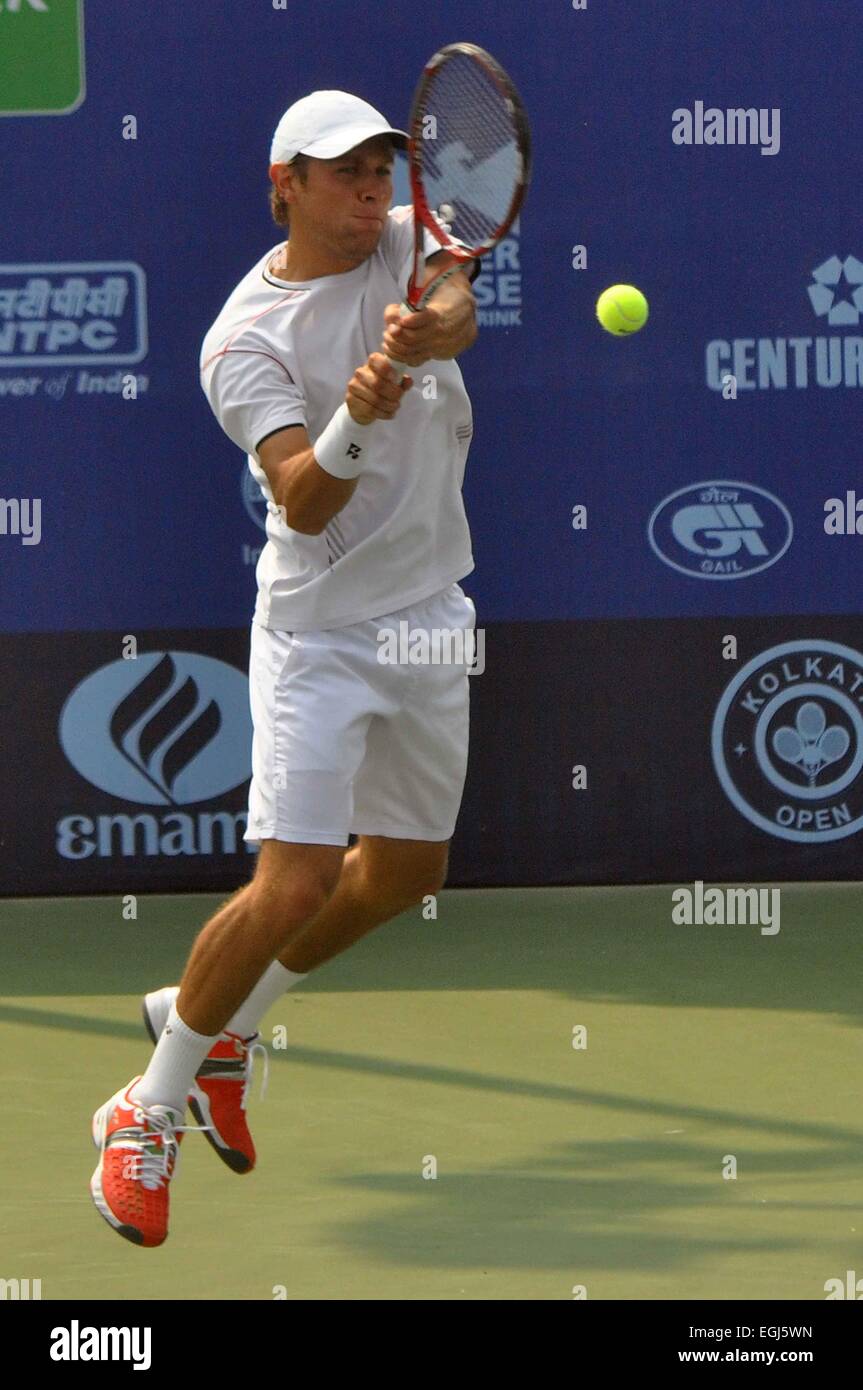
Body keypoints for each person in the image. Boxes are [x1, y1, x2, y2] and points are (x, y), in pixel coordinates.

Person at [89, 90, 481, 1247]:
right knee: (295, 882)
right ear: (285, 187)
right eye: (343, 174)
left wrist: (429, 328)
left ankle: (221, 1027)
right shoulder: (241, 340)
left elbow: (453, 303)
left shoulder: (410, 242)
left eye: (379, 171)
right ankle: (142, 1105)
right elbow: (304, 501)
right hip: (317, 633)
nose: (369, 191)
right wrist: (357, 416)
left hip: (429, 612)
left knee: (405, 872)